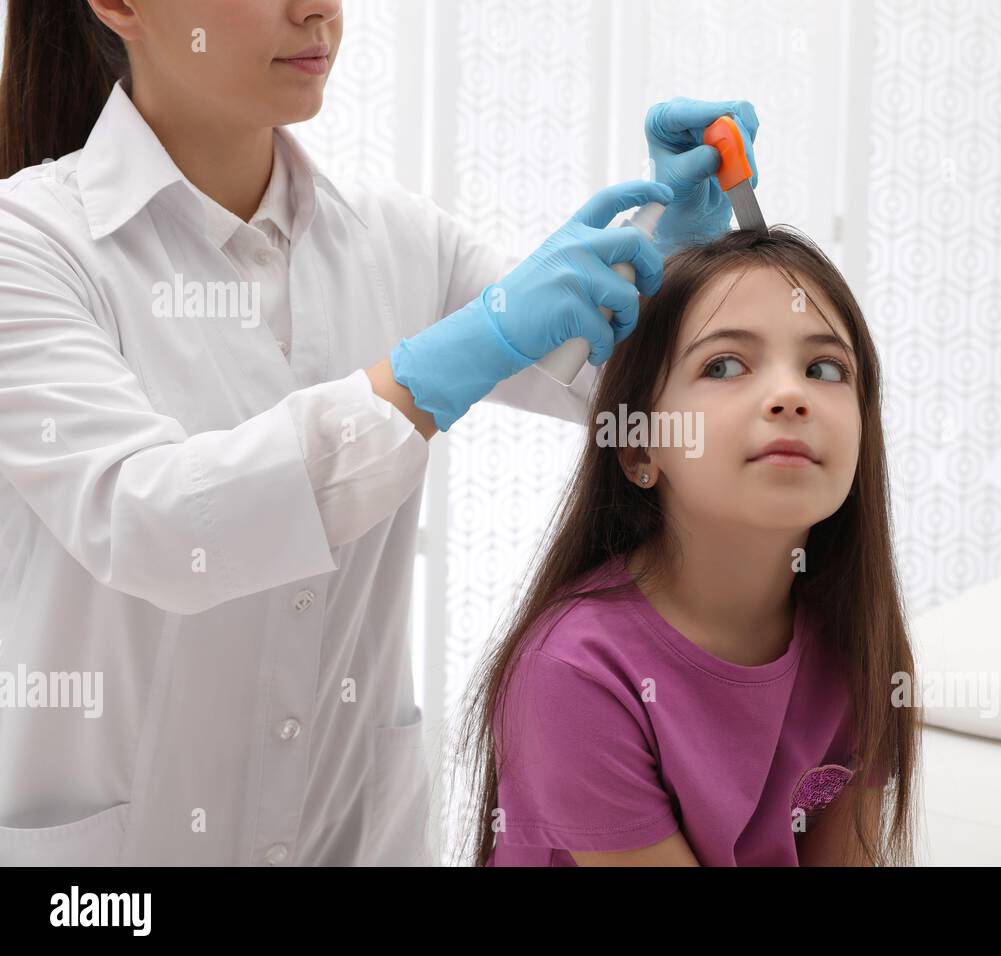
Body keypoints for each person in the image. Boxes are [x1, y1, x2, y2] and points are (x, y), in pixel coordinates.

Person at [0, 0, 759, 866]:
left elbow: (610, 391)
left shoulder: (396, 238)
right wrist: (436, 368)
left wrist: (674, 261)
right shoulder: (29, 245)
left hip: (355, 839)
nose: (317, 9)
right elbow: (154, 524)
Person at [456, 227, 924, 867]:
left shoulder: (860, 651)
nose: (791, 396)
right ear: (640, 447)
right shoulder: (573, 671)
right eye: (724, 365)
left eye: (824, 369)